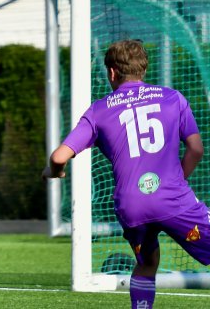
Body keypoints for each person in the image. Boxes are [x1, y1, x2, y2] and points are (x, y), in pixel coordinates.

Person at [44, 39, 209, 308]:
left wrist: (54, 171)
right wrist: (176, 180)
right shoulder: (172, 98)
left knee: (146, 263)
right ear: (143, 70)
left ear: (111, 72)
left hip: (132, 207)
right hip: (173, 199)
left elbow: (59, 156)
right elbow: (196, 150)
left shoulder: (98, 110)